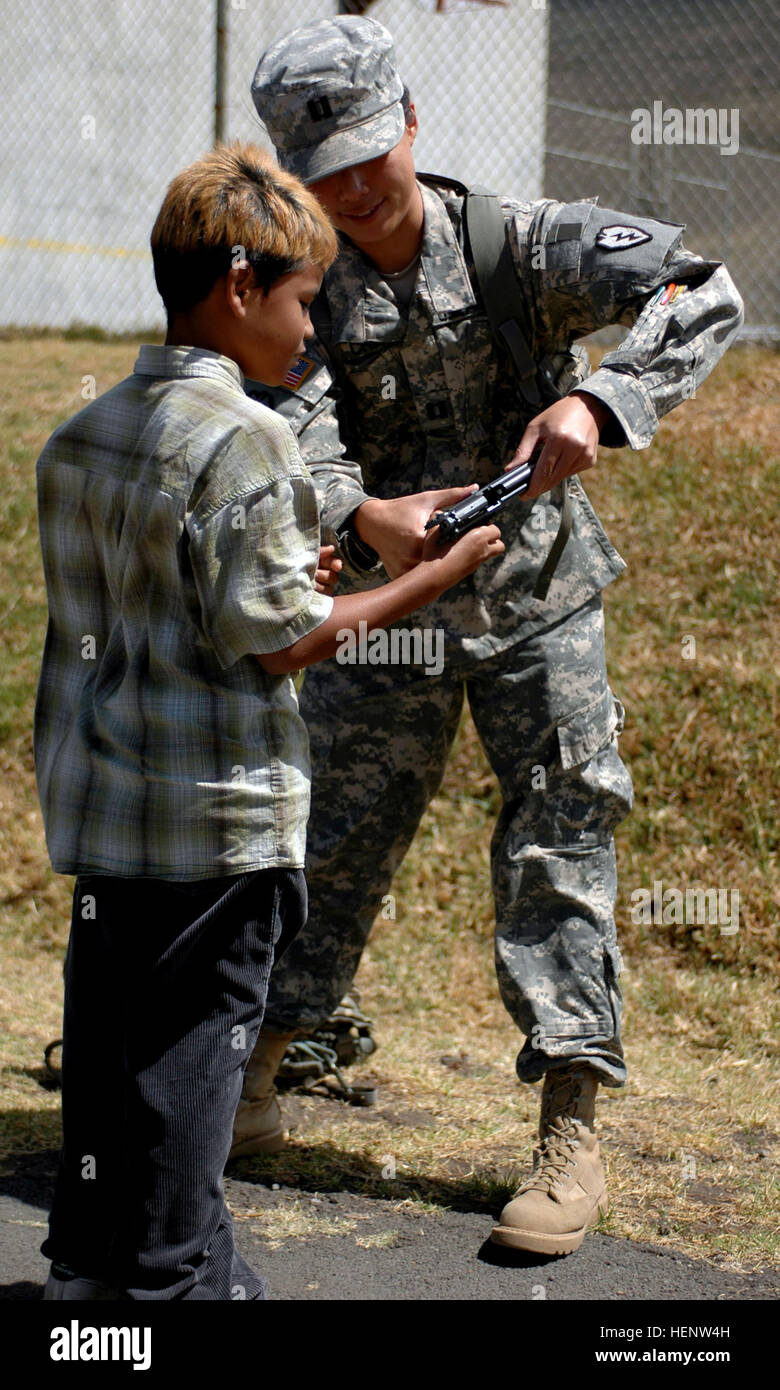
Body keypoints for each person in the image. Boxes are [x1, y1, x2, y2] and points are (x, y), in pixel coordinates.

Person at [243, 15, 744, 1256]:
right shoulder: (295, 279)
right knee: (328, 839)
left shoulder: (519, 241)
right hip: (390, 613)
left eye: (368, 152)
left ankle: (571, 1126)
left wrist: (599, 396)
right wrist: (360, 509)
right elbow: (282, 416)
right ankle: (251, 1074)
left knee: (562, 837)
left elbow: (706, 285)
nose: (354, 190)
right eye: (323, 173)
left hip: (540, 606)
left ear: (411, 120)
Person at [33, 140, 504, 1300]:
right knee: (194, 1068)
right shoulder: (250, 435)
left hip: (108, 811)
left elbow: (179, 597)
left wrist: (312, 557)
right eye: (304, 300)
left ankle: (96, 1278)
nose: (315, 330)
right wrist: (422, 584)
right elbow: (285, 640)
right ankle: (162, 1286)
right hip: (217, 829)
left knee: (111, 1055)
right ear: (241, 287)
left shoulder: (82, 435)